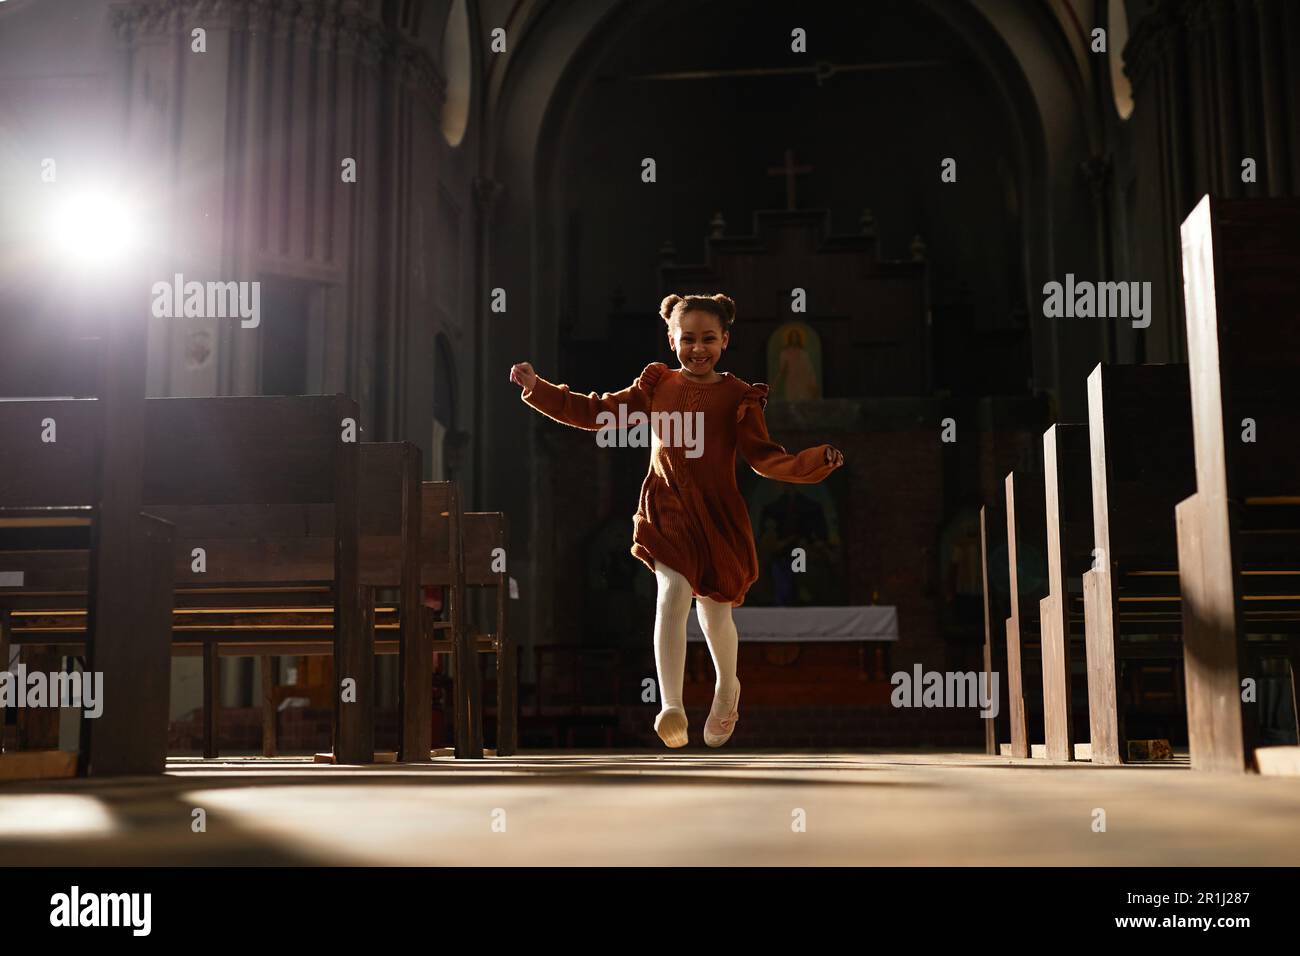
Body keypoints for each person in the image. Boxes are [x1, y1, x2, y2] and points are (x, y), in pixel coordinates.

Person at [510, 293, 844, 748]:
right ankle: (672, 703)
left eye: (709, 338)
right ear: (672, 339)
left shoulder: (737, 397)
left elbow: (764, 459)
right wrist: (539, 388)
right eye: (688, 338)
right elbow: (596, 413)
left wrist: (812, 462)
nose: (698, 348)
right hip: (667, 507)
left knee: (714, 612)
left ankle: (728, 688)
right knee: (672, 591)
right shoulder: (655, 387)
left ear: (725, 340)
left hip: (718, 516)